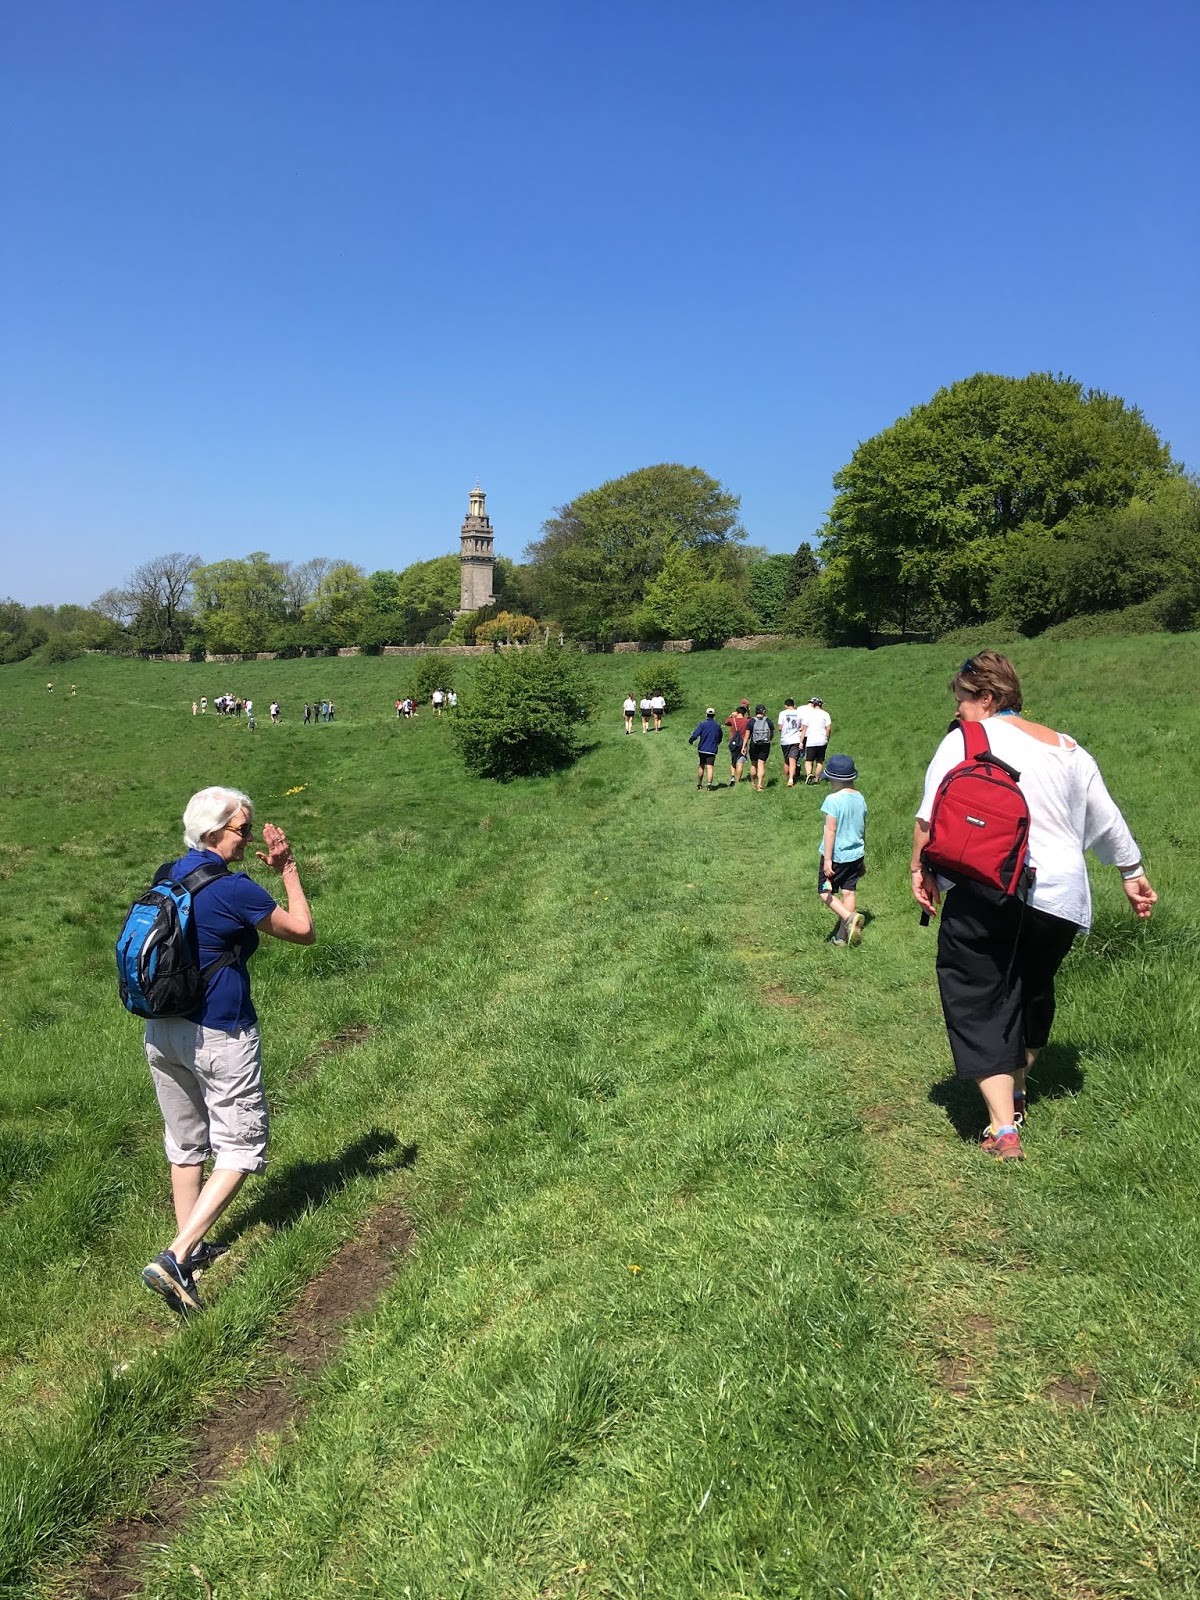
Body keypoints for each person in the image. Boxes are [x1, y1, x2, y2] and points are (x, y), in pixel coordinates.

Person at [911, 651, 1157, 1163]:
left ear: (987, 697)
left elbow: (929, 816)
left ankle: (1003, 1128)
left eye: (962, 699)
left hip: (987, 886)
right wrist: (1131, 873)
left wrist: (920, 869)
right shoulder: (1069, 748)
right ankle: (1019, 1091)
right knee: (1030, 988)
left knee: (978, 992)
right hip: (1061, 897)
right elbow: (1107, 819)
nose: (957, 710)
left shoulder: (966, 738)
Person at [141, 787, 315, 1315]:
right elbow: (303, 931)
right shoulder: (234, 888)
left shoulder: (167, 875)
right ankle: (175, 1259)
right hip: (219, 1033)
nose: (248, 837)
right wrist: (287, 870)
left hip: (161, 1031)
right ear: (215, 831)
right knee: (241, 1146)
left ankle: (189, 1254)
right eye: (243, 829)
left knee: (185, 1143)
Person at [818, 754, 867, 946]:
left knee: (824, 892)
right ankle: (842, 937)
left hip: (837, 856)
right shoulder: (860, 798)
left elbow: (830, 830)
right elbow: (862, 829)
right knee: (848, 892)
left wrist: (827, 860)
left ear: (835, 779)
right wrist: (862, 858)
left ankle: (849, 917)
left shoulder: (833, 800)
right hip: (856, 855)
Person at [688, 707, 723, 790]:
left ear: (706, 715)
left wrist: (691, 740)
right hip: (712, 749)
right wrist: (716, 743)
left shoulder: (703, 725)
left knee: (701, 765)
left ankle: (699, 784)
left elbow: (695, 734)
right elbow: (720, 737)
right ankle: (709, 785)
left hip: (702, 749)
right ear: (714, 715)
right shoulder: (717, 726)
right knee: (710, 767)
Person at [800, 697, 831, 784]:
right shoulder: (825, 714)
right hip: (822, 741)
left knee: (808, 761)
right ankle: (817, 779)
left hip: (811, 741)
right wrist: (827, 738)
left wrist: (801, 741)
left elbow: (804, 729)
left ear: (813, 704)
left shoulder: (808, 714)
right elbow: (828, 729)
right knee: (819, 761)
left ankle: (809, 774)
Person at [778, 698, 804, 787]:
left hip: (785, 740)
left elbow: (780, 728)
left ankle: (786, 778)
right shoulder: (799, 713)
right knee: (793, 760)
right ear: (794, 705)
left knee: (786, 760)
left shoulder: (782, 713)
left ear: (785, 705)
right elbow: (802, 726)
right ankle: (791, 779)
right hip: (795, 739)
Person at [747, 703, 774, 792]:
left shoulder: (752, 721)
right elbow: (772, 733)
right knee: (761, 764)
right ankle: (759, 785)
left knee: (753, 764)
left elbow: (747, 735)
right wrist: (769, 739)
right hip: (765, 744)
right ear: (764, 711)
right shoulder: (768, 721)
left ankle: (753, 783)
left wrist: (744, 746)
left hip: (754, 744)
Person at [724, 705, 750, 785]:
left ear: (737, 712)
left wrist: (731, 715)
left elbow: (726, 722)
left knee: (733, 760)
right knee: (740, 762)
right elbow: (752, 721)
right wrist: (749, 713)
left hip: (734, 743)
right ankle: (738, 781)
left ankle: (732, 776)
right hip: (743, 743)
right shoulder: (747, 721)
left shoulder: (732, 720)